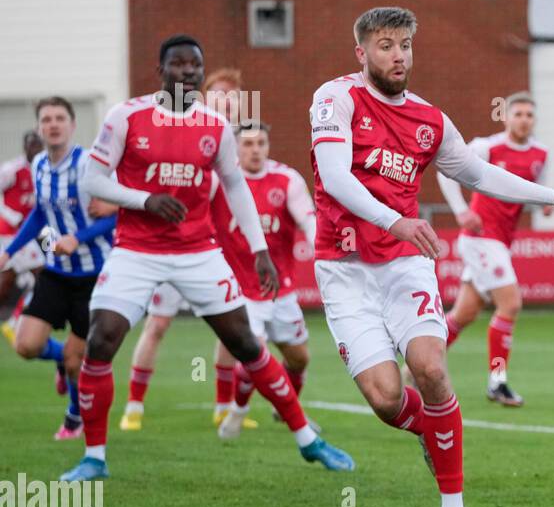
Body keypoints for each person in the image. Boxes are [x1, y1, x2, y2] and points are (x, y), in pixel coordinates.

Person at [309, 6, 554, 507]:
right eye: (385, 45)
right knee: (384, 399)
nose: (397, 54)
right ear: (361, 53)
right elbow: (334, 177)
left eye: (404, 44)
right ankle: (433, 430)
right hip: (345, 269)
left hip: (405, 265)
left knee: (429, 367)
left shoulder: (428, 119)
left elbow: (477, 172)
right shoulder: (336, 99)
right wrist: (396, 220)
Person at [72, 34, 352, 482]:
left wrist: (260, 250)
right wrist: (146, 200)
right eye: (179, 64)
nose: (188, 71)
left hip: (197, 251)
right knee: (101, 340)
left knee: (246, 343)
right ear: (161, 70)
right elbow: (93, 180)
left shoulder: (216, 127)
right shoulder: (126, 116)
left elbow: (236, 186)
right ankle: (94, 457)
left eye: (195, 65)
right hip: (136, 250)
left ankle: (307, 439)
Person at [119, 68, 252, 430]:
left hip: (213, 250)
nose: (227, 102)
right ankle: (134, 405)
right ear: (204, 97)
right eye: (219, 95)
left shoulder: (239, 142)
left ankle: (223, 407)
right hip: (167, 245)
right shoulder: (181, 130)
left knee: (231, 327)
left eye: (233, 97)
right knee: (157, 324)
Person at [0, 98, 117, 439]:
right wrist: (9, 252)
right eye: (46, 119)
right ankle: (60, 357)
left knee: (77, 361)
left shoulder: (88, 166)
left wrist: (77, 237)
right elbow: (39, 214)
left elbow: (116, 216)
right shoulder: (37, 164)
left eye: (59, 118)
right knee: (25, 345)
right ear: (39, 127)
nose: (53, 124)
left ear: (72, 124)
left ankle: (74, 417)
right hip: (56, 272)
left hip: (92, 276)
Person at [436, 92, 549, 407]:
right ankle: (497, 382)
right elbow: (446, 170)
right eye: (518, 114)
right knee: (510, 303)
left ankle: (416, 366)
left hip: (501, 241)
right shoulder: (486, 147)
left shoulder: (541, 153)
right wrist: (460, 210)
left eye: (529, 114)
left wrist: (545, 205)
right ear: (506, 117)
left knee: (463, 314)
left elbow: (536, 186)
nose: (524, 120)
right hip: (481, 237)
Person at [209, 121, 317, 439]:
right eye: (248, 144)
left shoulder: (287, 179)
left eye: (261, 144)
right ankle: (238, 411)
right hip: (239, 290)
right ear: (235, 148)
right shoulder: (220, 181)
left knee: (299, 359)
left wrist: (318, 247)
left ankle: (285, 409)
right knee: (254, 352)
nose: (255, 150)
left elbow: (308, 221)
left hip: (280, 290)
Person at [0, 131, 43, 327]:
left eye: (38, 145)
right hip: (11, 232)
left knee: (47, 266)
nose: (35, 149)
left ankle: (25, 315)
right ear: (25, 147)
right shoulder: (12, 169)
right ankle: (21, 316)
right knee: (16, 276)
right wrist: (10, 215)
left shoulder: (44, 167)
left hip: (37, 230)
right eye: (31, 145)